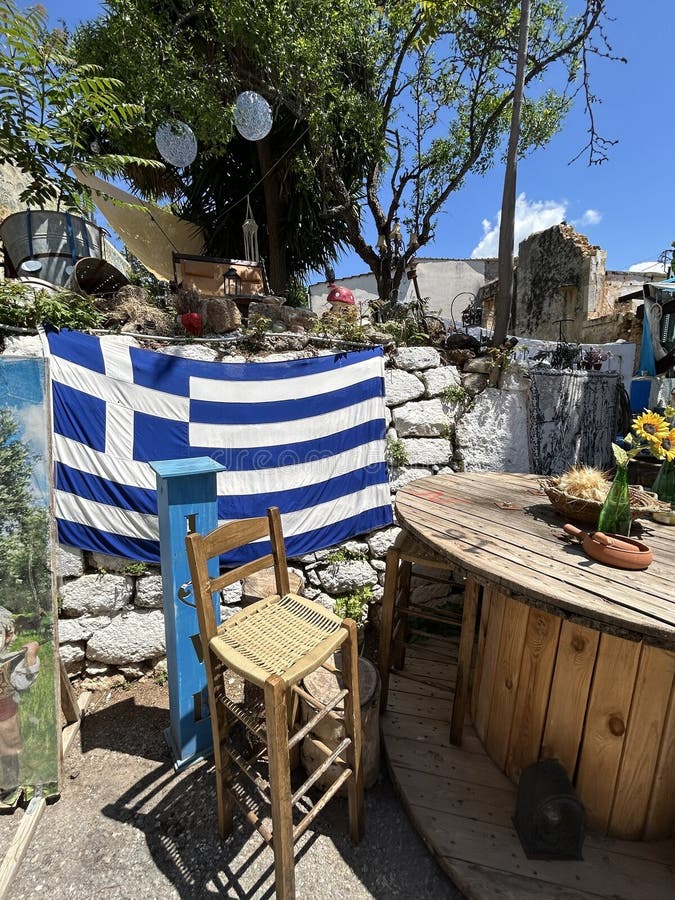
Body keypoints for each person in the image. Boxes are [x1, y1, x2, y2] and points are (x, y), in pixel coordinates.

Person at [0, 606, 40, 801]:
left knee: (7, 752)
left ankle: (10, 788)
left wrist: (30, 656)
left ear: (8, 637)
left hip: (4, 715)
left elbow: (22, 682)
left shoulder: (8, 661)